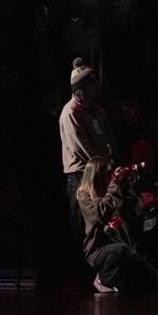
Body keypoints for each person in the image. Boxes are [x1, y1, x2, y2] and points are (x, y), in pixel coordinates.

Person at [56, 58, 118, 290]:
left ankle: (99, 273)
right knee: (81, 226)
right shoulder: (71, 112)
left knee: (102, 225)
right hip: (82, 177)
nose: (96, 87)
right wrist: (103, 164)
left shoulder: (98, 111)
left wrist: (114, 161)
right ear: (82, 87)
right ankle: (78, 275)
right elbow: (83, 148)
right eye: (92, 84)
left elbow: (109, 139)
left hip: (102, 173)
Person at [75, 156, 158, 294]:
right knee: (120, 250)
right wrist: (115, 183)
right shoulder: (84, 195)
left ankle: (118, 280)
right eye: (108, 173)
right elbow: (101, 212)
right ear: (97, 175)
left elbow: (136, 209)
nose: (111, 175)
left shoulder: (114, 190)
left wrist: (127, 186)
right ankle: (102, 279)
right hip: (99, 251)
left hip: (124, 250)